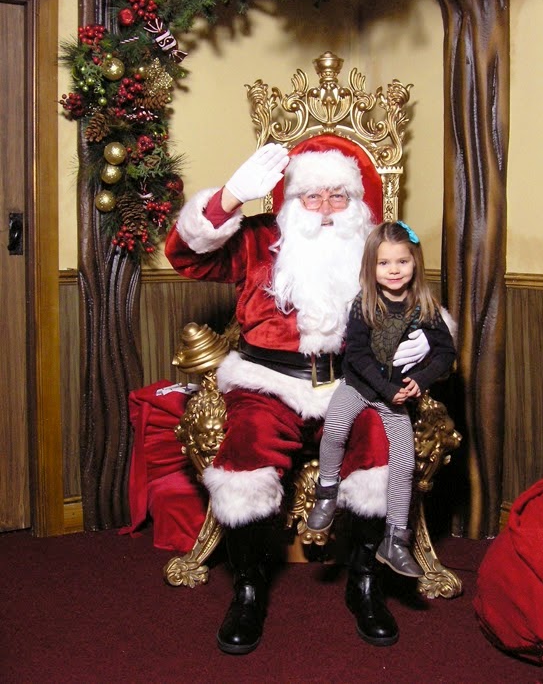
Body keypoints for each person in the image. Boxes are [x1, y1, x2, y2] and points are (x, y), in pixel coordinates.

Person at [165, 142, 431, 653]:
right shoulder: (260, 239)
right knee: (245, 454)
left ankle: (365, 583)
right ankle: (247, 588)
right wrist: (228, 199)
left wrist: (423, 339)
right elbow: (184, 257)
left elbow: (415, 302)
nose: (327, 209)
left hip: (354, 383)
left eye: (338, 196)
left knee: (381, 450)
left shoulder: (375, 245)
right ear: (291, 199)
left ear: (357, 202)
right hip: (269, 381)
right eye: (313, 197)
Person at [307, 221, 456, 578]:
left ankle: (395, 540)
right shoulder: (363, 304)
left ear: (415, 263)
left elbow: (445, 353)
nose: (394, 270)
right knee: (335, 430)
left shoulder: (424, 305)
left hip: (397, 400)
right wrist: (388, 390)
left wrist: (418, 381)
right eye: (385, 263)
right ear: (371, 266)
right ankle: (327, 492)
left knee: (404, 465)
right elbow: (355, 357)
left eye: (402, 262)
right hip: (360, 387)